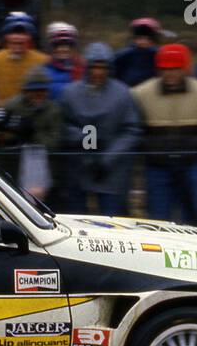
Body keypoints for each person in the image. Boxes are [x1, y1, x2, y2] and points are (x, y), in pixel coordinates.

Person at [131, 43, 197, 226]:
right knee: (157, 219)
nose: (169, 74)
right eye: (165, 69)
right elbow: (135, 129)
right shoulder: (140, 94)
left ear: (185, 68)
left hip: (191, 163)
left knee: (193, 218)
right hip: (157, 166)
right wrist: (150, 149)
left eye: (175, 69)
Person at [58, 43, 142, 216]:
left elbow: (131, 129)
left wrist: (107, 159)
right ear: (87, 68)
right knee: (78, 220)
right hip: (79, 167)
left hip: (113, 169)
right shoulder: (70, 93)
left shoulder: (122, 93)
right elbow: (62, 125)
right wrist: (85, 137)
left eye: (103, 67)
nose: (98, 72)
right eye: (94, 67)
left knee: (112, 222)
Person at [0, 66, 63, 199]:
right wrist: (12, 135)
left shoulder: (53, 110)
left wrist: (33, 133)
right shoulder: (12, 106)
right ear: (26, 91)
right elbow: (0, 136)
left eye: (42, 90)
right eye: (34, 90)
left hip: (44, 169)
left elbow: (55, 142)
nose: (38, 94)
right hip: (15, 167)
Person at [0, 15, 48, 103]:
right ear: (6, 37)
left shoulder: (43, 61)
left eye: (23, 33)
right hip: (1, 112)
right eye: (13, 33)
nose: (18, 37)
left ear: (30, 37)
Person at [112, 18, 162, 88]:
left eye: (148, 38)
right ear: (134, 38)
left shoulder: (159, 55)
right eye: (140, 38)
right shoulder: (123, 55)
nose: (143, 42)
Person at [41, 22, 85, 99]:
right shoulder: (44, 70)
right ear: (53, 48)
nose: (64, 49)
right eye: (59, 46)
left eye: (67, 46)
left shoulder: (82, 67)